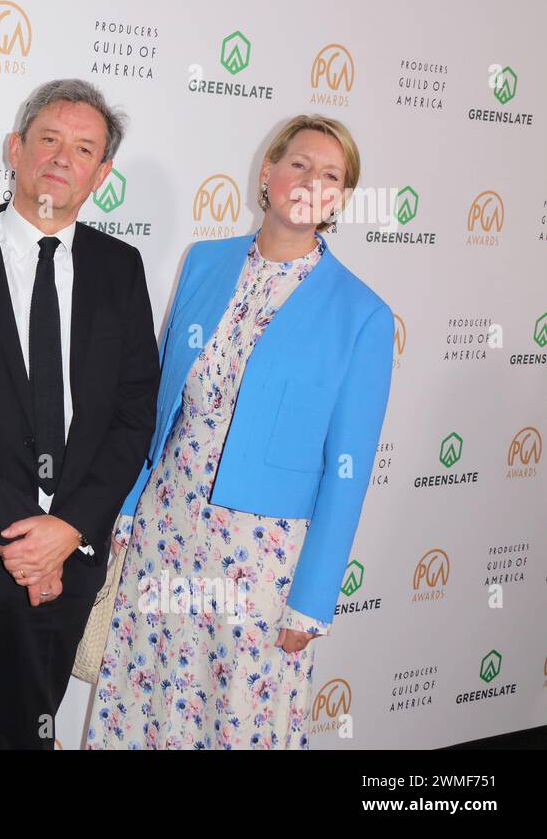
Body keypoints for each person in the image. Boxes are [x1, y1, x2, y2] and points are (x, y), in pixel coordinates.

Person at [86, 114, 393, 750]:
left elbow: (349, 472)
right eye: (300, 163)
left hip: (261, 558)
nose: (310, 181)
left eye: (330, 175)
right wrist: (125, 511)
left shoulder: (361, 314)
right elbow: (157, 402)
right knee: (143, 704)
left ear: (341, 198)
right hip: (164, 528)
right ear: (268, 173)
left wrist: (311, 599)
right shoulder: (205, 262)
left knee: (237, 720)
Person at [0, 79, 159, 749]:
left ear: (101, 175)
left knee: (31, 736)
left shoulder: (120, 268)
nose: (61, 157)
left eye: (84, 148)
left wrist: (67, 529)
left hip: (68, 555)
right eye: (48, 139)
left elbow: (135, 415)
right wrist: (23, 535)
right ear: (15, 149)